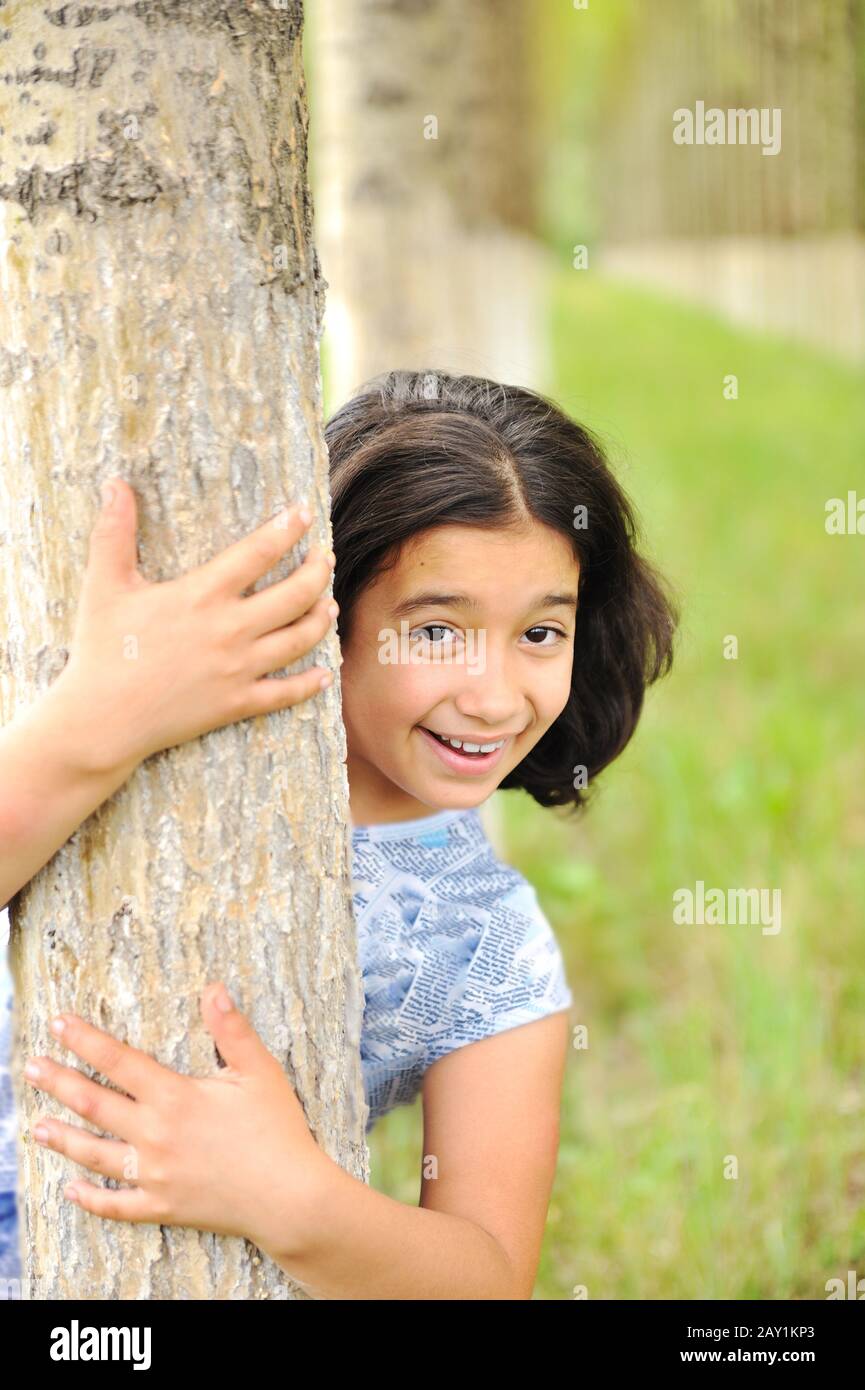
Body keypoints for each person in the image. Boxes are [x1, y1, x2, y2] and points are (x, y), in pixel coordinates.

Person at [0, 368, 677, 1299]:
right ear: (331, 611)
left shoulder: (483, 937)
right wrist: (100, 720)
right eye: (435, 630)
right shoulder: (157, 745)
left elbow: (488, 1276)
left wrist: (287, 1197)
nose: (492, 695)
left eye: (539, 634)